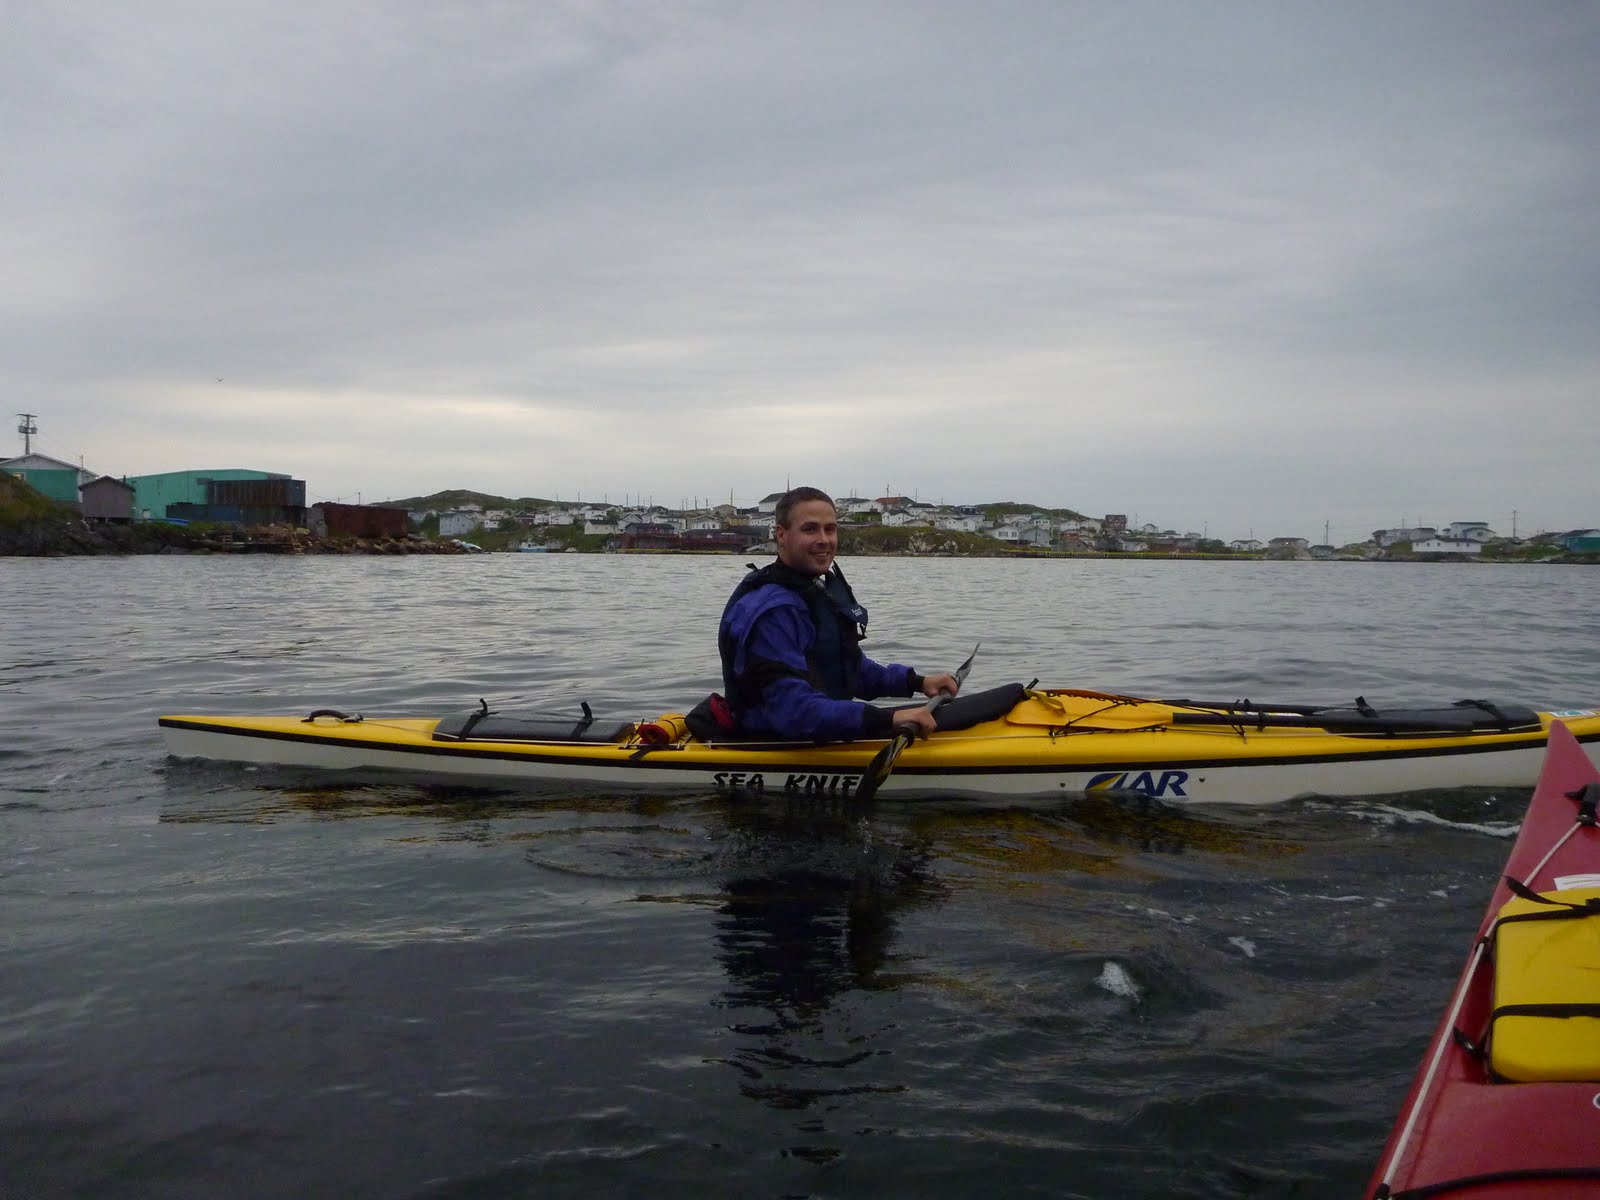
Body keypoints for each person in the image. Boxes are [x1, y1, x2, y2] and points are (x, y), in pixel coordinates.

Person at [715, 486, 959, 742]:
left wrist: (917, 683)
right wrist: (888, 719)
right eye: (810, 529)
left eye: (830, 529)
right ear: (782, 535)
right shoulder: (773, 612)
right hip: (775, 742)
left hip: (821, 728)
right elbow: (793, 710)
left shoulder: (814, 589)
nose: (824, 539)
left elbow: (846, 666)